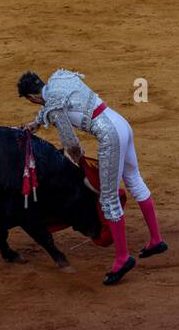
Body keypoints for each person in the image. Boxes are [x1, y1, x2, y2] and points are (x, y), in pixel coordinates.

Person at [16, 69, 167, 286]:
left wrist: (78, 162)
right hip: (121, 124)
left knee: (108, 200)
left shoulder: (52, 107)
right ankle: (156, 240)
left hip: (109, 135)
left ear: (32, 98)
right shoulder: (60, 77)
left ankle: (123, 258)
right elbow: (55, 105)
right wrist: (36, 123)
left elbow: (71, 143)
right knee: (134, 179)